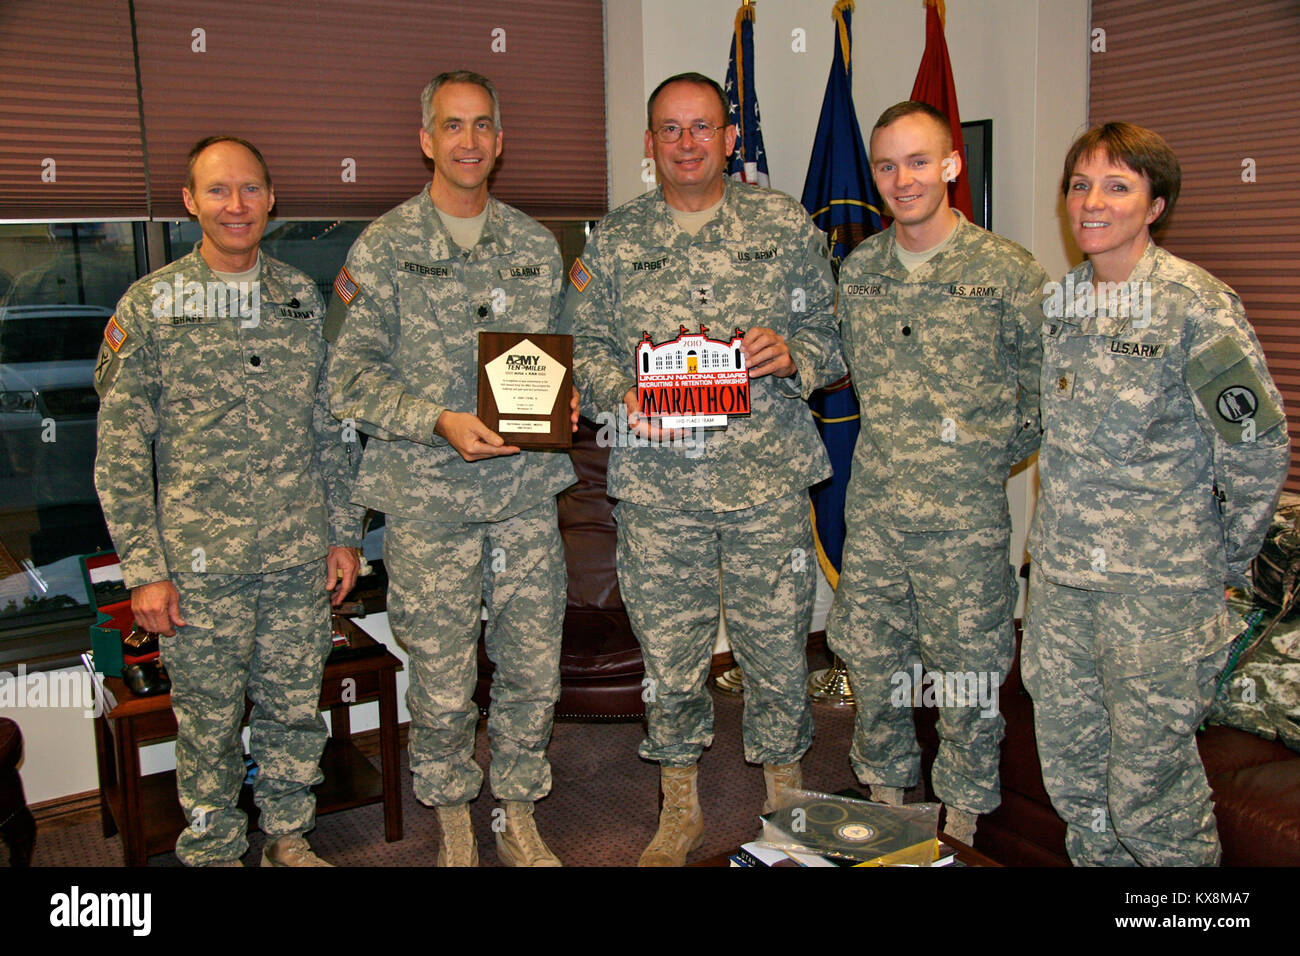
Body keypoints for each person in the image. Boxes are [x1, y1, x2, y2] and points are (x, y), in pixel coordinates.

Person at [560, 72, 842, 866]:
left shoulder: (786, 227)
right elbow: (583, 349)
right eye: (670, 130)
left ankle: (786, 798)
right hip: (659, 488)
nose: (687, 143)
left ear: (728, 138)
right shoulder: (612, 242)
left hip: (765, 482)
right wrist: (621, 393)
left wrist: (796, 356)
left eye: (702, 127)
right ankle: (678, 804)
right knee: (671, 653)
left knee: (779, 649)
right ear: (650, 146)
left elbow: (832, 333)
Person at [325, 70, 577, 867]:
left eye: (482, 127)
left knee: (532, 668)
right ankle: (455, 823)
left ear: (500, 142)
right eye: (451, 126)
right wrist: (435, 420)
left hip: (523, 501)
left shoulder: (538, 247)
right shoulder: (386, 248)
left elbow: (569, 363)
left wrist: (602, 398)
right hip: (427, 502)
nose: (467, 141)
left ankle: (520, 811)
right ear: (427, 140)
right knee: (438, 678)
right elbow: (348, 379)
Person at [1023, 122, 1289, 866]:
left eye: (1117, 185)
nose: (1091, 201)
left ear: (1155, 205)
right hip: (1063, 586)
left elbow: (1258, 447)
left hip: (1158, 595)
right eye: (1079, 184)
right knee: (1076, 782)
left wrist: (1219, 563)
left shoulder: (1195, 304)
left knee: (1151, 794)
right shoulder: (1064, 302)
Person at [94, 136, 363, 867]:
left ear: (271, 199)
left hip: (295, 557)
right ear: (190, 202)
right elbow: (119, 453)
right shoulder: (151, 307)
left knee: (290, 714)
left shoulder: (300, 300)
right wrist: (144, 569)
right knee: (206, 726)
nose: (235, 205)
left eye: (249, 190)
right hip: (195, 571)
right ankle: (212, 850)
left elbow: (330, 431)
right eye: (218, 191)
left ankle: (288, 838)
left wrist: (345, 535)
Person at [826, 101, 1048, 845]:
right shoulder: (857, 273)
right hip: (878, 518)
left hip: (964, 524)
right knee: (875, 669)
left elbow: (1042, 395)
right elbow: (843, 370)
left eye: (919, 161)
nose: (902, 179)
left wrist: (978, 457)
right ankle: (887, 814)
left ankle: (960, 829)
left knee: (968, 680)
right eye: (886, 165)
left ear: (951, 165)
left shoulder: (1009, 272)